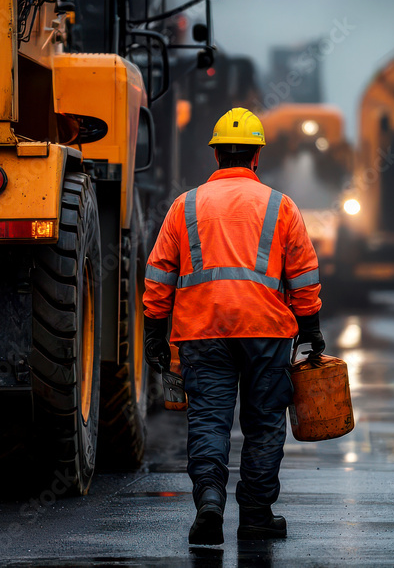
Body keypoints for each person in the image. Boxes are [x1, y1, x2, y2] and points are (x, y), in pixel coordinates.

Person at [142, 107, 325, 545]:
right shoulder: (281, 206)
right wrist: (312, 327)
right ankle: (257, 514)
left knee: (209, 419)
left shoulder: (184, 206)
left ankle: (209, 501)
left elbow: (160, 274)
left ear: (217, 154)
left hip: (202, 331)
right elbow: (304, 274)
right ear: (257, 156)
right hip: (266, 332)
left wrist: (154, 331)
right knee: (264, 422)